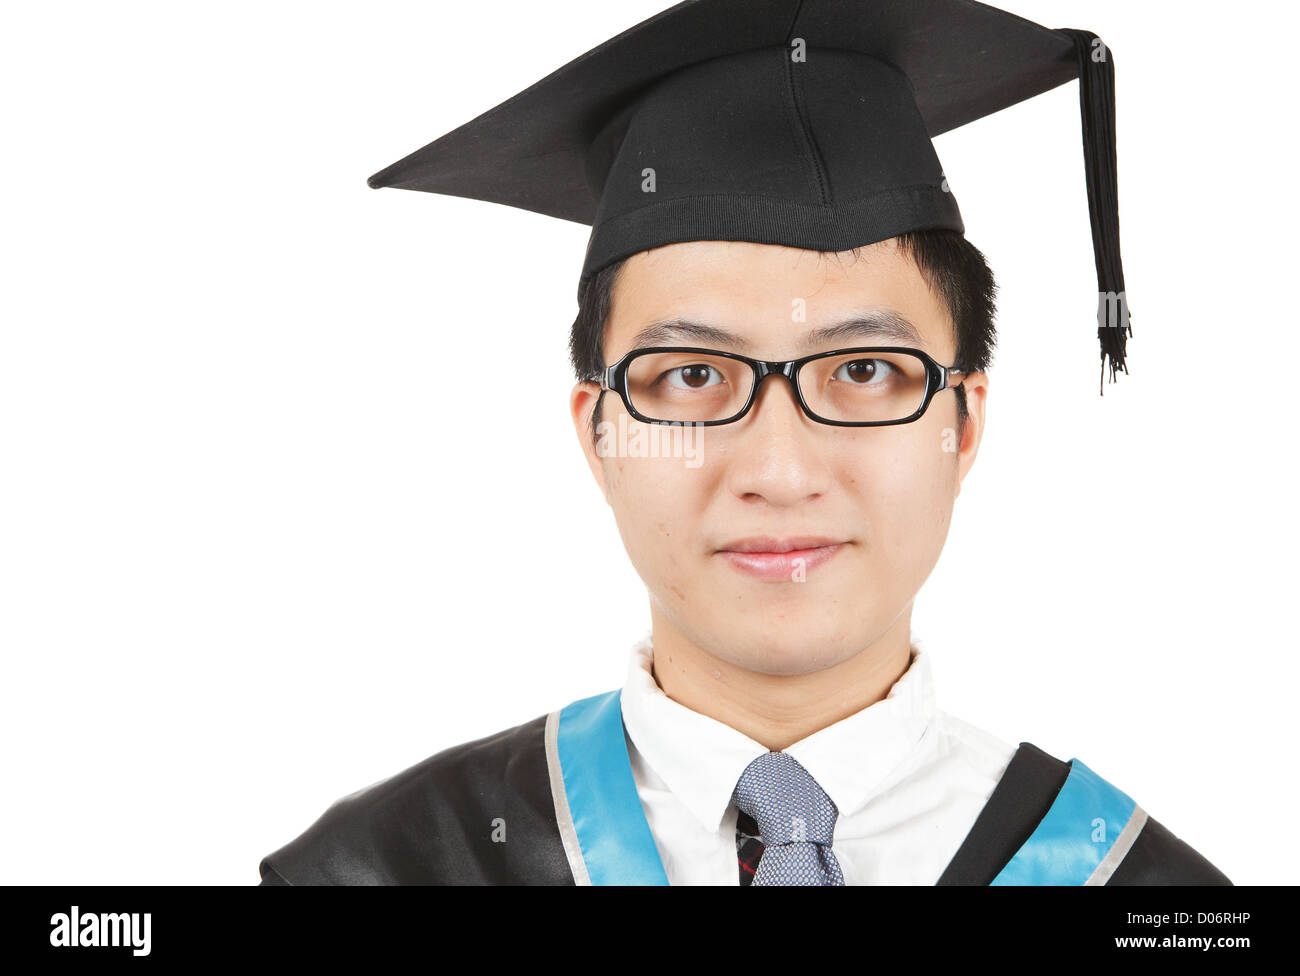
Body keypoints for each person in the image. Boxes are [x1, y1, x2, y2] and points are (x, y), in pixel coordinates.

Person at [258, 0, 1229, 885]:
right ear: (597, 434)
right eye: (690, 377)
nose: (778, 470)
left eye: (861, 372)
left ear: (963, 422)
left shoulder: (1152, 897)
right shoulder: (386, 871)